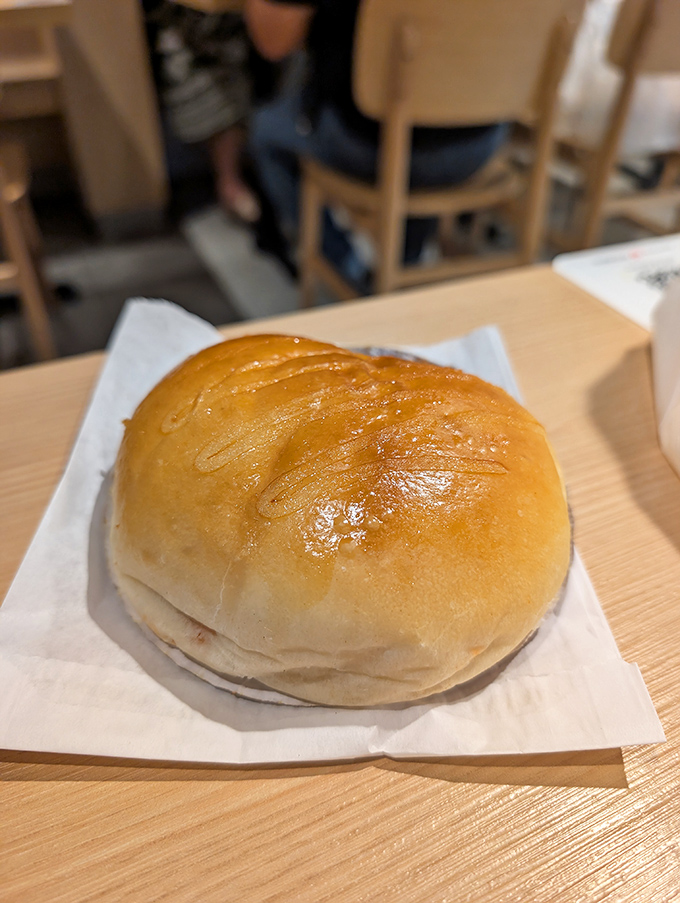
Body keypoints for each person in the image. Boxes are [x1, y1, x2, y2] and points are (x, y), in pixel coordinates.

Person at [244, 0, 508, 287]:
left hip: (370, 141)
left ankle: (352, 271)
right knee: (422, 101)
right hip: (482, 139)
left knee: (266, 132)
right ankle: (407, 264)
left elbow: (272, 42)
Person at [146, 1, 261, 222]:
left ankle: (236, 177)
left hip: (235, 28)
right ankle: (230, 180)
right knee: (206, 69)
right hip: (182, 30)